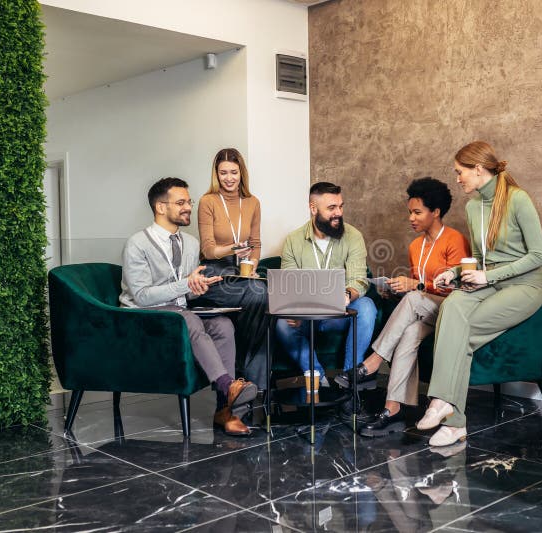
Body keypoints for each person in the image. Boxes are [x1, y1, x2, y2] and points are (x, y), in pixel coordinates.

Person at [416, 141, 542, 446]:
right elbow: (478, 258)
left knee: (460, 330)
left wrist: (488, 276)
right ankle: (448, 411)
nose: (457, 178)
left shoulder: (518, 199)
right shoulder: (473, 206)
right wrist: (457, 273)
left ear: (478, 169)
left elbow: (538, 255)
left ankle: (450, 413)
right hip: (487, 283)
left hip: (524, 285)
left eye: (460, 172)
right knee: (452, 308)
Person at [120, 177, 258, 436]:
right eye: (181, 202)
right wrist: (186, 284)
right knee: (188, 320)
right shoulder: (137, 244)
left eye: (189, 202)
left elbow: (186, 293)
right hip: (144, 318)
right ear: (161, 207)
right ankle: (229, 386)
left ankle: (224, 411)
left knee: (223, 324)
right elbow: (141, 296)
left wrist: (199, 287)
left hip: (179, 311)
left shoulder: (192, 244)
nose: (188, 207)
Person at [343, 177, 470, 437]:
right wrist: (393, 291)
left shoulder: (454, 240)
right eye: (409, 212)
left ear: (435, 212)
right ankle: (392, 408)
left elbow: (456, 288)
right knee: (410, 332)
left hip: (453, 311)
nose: (411, 217)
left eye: (417, 212)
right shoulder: (416, 246)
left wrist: (416, 286)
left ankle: (373, 361)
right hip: (427, 311)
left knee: (413, 299)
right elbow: (420, 290)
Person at [275, 181, 377, 386]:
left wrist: (347, 295)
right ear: (313, 208)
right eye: (331, 208)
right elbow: (290, 285)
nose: (338, 212)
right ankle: (317, 376)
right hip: (306, 316)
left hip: (339, 313)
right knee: (281, 325)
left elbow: (359, 278)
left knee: (366, 307)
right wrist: (294, 310)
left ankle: (349, 378)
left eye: (340, 206)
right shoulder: (293, 241)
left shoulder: (353, 236)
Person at [195, 148, 269, 389]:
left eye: (234, 172)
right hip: (214, 272)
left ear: (241, 173)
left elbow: (256, 244)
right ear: (216, 174)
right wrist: (234, 249)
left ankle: (255, 386)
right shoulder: (208, 201)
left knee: (264, 290)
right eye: (223, 172)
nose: (229, 178)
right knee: (258, 293)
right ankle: (242, 372)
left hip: (241, 273)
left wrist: (252, 265)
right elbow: (207, 250)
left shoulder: (252, 202)